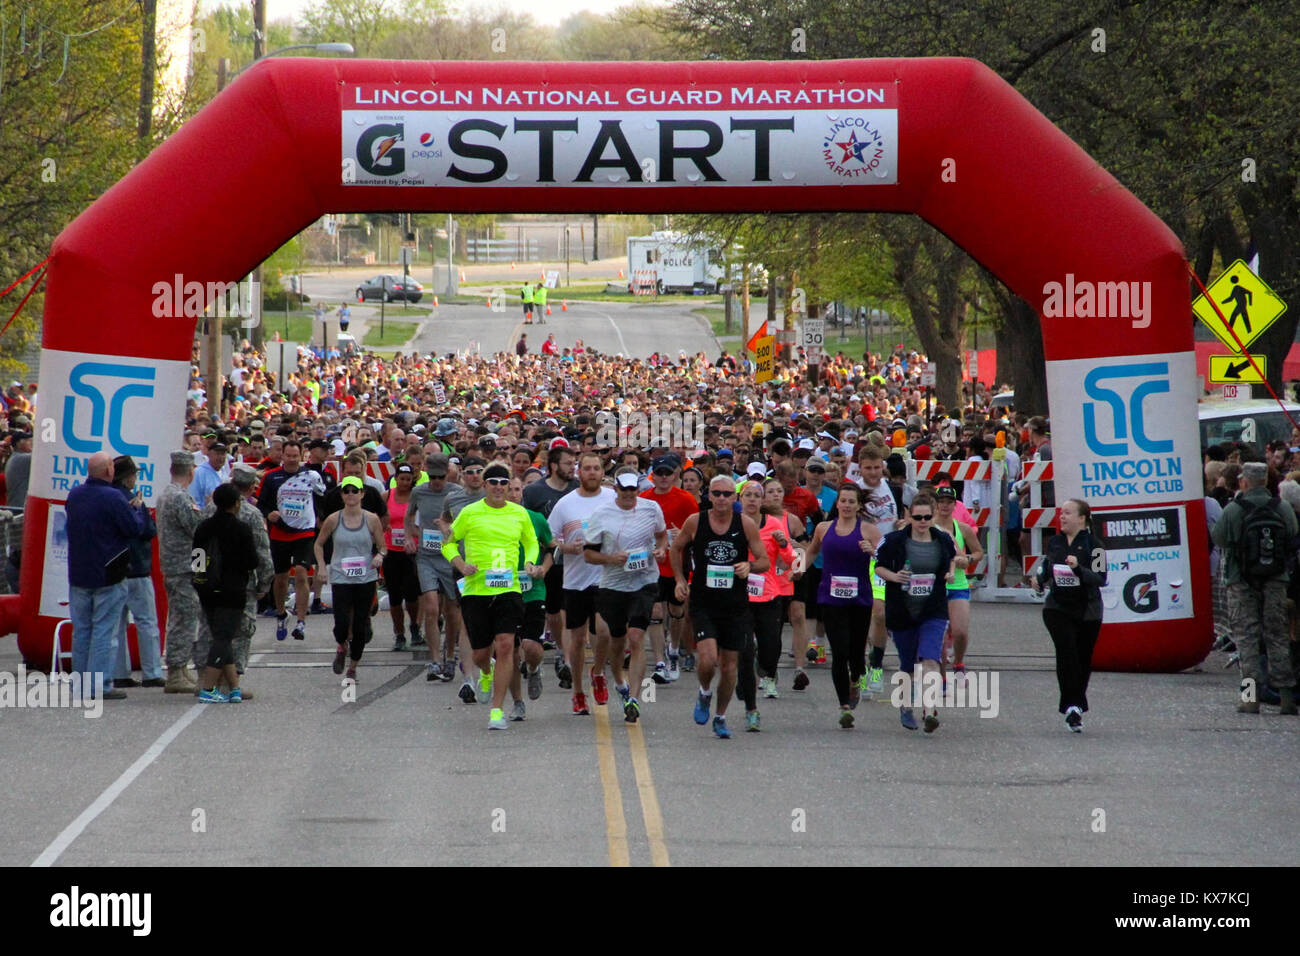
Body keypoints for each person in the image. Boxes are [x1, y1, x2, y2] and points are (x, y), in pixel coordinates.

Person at [443, 462, 541, 730]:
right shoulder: (469, 513)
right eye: (493, 482)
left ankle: (497, 711)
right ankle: (486, 672)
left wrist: (530, 562)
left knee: (506, 644)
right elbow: (448, 543)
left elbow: (531, 542)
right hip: (477, 590)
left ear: (509, 486)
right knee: (480, 654)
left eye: (503, 482)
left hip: (509, 589)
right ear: (484, 485)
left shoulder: (519, 514)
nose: (498, 487)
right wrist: (461, 565)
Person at [670, 474, 769, 739]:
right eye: (717, 494)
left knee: (729, 667)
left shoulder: (745, 524)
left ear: (734, 498)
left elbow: (764, 561)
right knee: (708, 659)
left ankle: (721, 716)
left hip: (735, 605)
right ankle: (704, 692)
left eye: (727, 494)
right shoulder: (696, 522)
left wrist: (749, 566)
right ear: (709, 496)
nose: (722, 499)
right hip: (704, 601)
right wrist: (680, 580)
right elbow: (675, 548)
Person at [1211, 462, 1297, 716]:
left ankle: (1250, 698)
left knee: (1247, 639)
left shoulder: (1234, 509)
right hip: (1275, 579)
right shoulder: (1281, 507)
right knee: (1278, 636)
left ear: (1244, 482)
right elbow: (1292, 533)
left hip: (1241, 580)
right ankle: (1286, 698)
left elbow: (1219, 538)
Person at [584, 467, 668, 723]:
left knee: (636, 636)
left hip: (644, 580)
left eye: (634, 489)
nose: (630, 494)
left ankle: (633, 698)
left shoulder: (651, 508)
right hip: (613, 584)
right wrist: (611, 558)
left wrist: (662, 550)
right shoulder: (601, 514)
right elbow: (589, 554)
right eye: (625, 490)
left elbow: (662, 535)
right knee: (616, 639)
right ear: (616, 489)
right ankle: (610, 676)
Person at [66, 451, 149, 700]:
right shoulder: (113, 497)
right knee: (104, 630)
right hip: (108, 570)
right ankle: (99, 685)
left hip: (79, 570)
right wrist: (137, 509)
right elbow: (134, 529)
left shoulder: (75, 494)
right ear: (108, 471)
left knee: (81, 630)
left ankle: (79, 684)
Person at [799, 483, 881, 728]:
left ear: (858, 505)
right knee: (839, 652)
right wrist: (795, 571)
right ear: (837, 503)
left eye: (851, 502)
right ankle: (844, 706)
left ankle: (856, 679)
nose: (846, 505)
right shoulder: (824, 528)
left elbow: (887, 559)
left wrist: (873, 551)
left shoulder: (869, 530)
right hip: (831, 598)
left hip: (860, 599)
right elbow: (811, 553)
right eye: (843, 501)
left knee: (856, 654)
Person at [874, 492, 956, 733]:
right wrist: (894, 576)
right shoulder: (894, 540)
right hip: (902, 609)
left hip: (933, 608)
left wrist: (950, 572)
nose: (922, 521)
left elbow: (951, 558)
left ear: (932, 517)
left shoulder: (942, 539)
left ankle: (929, 712)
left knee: (930, 658)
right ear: (909, 517)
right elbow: (878, 567)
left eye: (926, 517)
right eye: (917, 517)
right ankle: (906, 706)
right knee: (908, 664)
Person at [549, 451, 616, 715]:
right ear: (579, 472)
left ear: (602, 472)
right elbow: (550, 538)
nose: (591, 472)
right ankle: (578, 692)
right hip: (575, 581)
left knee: (605, 631)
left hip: (606, 578)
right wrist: (566, 547)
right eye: (586, 468)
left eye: (595, 468)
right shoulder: (565, 504)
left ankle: (598, 672)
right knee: (577, 641)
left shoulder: (612, 499)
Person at [1033, 498, 1109, 730]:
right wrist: (1039, 580)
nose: (1062, 517)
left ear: (1082, 518)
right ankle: (1072, 706)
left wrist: (1078, 569)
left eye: (1067, 513)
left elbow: (1101, 578)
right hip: (1057, 608)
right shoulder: (1055, 542)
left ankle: (1075, 706)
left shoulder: (1096, 545)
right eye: (1061, 513)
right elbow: (1047, 568)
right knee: (1066, 653)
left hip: (1088, 611)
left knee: (1082, 658)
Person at [737, 479, 797, 731]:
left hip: (770, 593)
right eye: (747, 495)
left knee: (770, 647)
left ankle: (765, 670)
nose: (751, 499)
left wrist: (783, 543)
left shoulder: (773, 524)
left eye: (755, 495)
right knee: (744, 650)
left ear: (762, 501)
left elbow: (790, 559)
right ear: (740, 500)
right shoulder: (733, 524)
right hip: (740, 595)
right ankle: (750, 705)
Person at [316, 476, 387, 685]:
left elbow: (383, 546)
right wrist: (321, 567)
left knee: (359, 627)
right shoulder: (334, 519)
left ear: (362, 494)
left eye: (354, 491)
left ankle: (353, 667)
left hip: (365, 577)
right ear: (341, 495)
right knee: (341, 624)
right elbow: (319, 544)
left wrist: (379, 556)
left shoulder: (372, 519)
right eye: (346, 491)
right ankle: (341, 645)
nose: (350, 495)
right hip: (341, 577)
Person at [192, 484, 259, 702]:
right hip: (233, 590)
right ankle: (208, 688)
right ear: (237, 503)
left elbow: (197, 558)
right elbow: (252, 561)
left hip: (208, 589)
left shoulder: (203, 528)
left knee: (222, 635)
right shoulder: (242, 529)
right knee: (223, 637)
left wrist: (200, 582)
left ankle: (234, 687)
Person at [256, 439, 325, 641]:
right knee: (281, 578)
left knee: (302, 573)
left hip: (304, 531)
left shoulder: (311, 476)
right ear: (282, 456)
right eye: (289, 456)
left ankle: (301, 621)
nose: (293, 460)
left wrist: (320, 517)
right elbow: (262, 504)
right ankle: (281, 613)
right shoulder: (271, 477)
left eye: (296, 456)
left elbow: (324, 497)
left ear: (301, 456)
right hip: (280, 533)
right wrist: (269, 515)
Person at [640, 453, 699, 683]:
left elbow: (695, 530)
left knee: (676, 611)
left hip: (676, 564)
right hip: (651, 564)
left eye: (668, 473)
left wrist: (680, 535)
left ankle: (674, 649)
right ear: (653, 475)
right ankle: (659, 661)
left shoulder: (685, 499)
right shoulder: (644, 498)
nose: (663, 477)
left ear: (675, 475)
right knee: (655, 612)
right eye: (659, 473)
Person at [523, 444, 578, 685]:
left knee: (571, 611)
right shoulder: (534, 492)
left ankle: (566, 659)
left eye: (574, 463)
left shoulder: (578, 489)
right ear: (553, 466)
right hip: (549, 559)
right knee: (554, 613)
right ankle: (560, 650)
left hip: (577, 561)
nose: (572, 468)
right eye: (568, 463)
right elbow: (525, 526)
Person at [405, 453, 463, 682]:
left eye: (440, 477)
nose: (437, 482)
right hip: (426, 556)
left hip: (450, 556)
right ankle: (435, 660)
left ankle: (450, 657)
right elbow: (409, 517)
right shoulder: (419, 491)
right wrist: (410, 536)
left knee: (451, 610)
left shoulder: (456, 493)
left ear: (447, 474)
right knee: (430, 606)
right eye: (432, 477)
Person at [109, 456, 164, 690]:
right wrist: (142, 511)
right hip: (137, 568)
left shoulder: (109, 498)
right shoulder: (131, 500)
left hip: (115, 568)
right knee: (146, 621)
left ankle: (119, 671)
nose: (136, 478)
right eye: (134, 474)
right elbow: (147, 530)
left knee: (116, 624)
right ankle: (151, 672)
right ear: (127, 476)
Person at [506, 476, 553, 719]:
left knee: (531, 647)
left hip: (533, 589)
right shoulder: (492, 519)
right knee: (511, 649)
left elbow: (551, 548)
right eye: (509, 489)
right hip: (503, 589)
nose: (513, 494)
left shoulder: (536, 519)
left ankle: (534, 668)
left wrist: (543, 568)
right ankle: (517, 702)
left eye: (517, 490)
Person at [157, 450, 205, 692]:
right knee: (184, 619)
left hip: (175, 564)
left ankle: (181, 669)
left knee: (182, 617)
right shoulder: (180, 498)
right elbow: (197, 528)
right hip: (183, 566)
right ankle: (176, 671)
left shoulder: (168, 494)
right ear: (191, 471)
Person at [933, 484, 983, 681]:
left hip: (958, 584)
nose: (945, 506)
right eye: (941, 502)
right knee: (942, 635)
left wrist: (968, 560)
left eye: (949, 502)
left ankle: (959, 662)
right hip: (937, 586)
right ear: (935, 505)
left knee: (960, 631)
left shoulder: (962, 528)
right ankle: (942, 676)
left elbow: (978, 552)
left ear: (955, 505)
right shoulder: (928, 527)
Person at [384, 463, 423, 650]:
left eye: (408, 480)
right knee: (394, 596)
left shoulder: (417, 498)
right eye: (402, 479)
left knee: (412, 595)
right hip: (391, 552)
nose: (405, 483)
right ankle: (399, 634)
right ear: (396, 479)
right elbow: (379, 520)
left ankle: (414, 627)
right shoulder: (387, 496)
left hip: (411, 553)